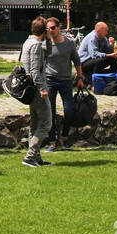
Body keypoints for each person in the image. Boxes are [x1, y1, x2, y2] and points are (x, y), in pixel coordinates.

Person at [44, 18, 83, 151]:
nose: (51, 31)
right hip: (50, 80)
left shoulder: (69, 43)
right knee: (50, 111)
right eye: (48, 29)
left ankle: (65, 137)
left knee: (69, 110)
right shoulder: (46, 43)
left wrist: (80, 77)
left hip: (66, 80)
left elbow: (77, 61)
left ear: (59, 27)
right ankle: (52, 142)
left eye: (53, 28)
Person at [20, 17, 53, 168]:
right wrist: (43, 89)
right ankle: (30, 156)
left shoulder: (28, 42)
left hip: (30, 90)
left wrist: (49, 38)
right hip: (37, 89)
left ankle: (37, 158)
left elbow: (49, 53)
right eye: (48, 29)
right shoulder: (36, 46)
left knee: (35, 124)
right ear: (44, 30)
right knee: (46, 123)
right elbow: (34, 70)